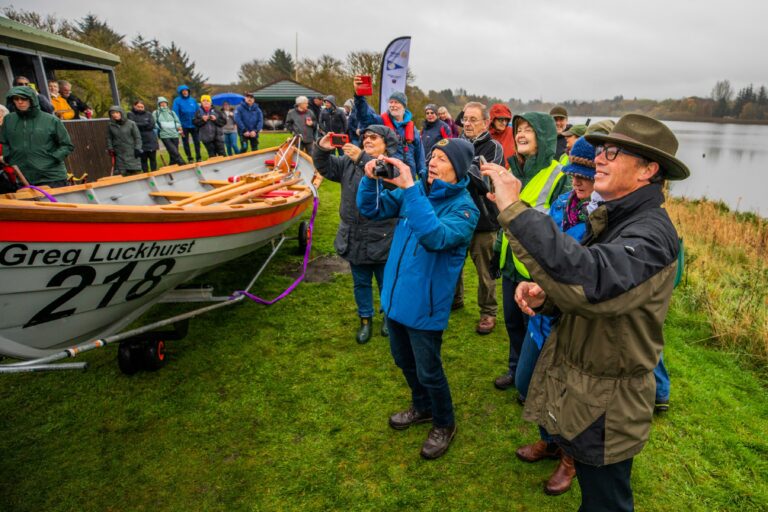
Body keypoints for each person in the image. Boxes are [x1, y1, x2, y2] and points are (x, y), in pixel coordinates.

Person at [481, 113, 690, 512]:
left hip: (610, 403)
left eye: (613, 151)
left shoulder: (650, 233)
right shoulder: (616, 215)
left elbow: (591, 283)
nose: (599, 158)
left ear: (648, 169)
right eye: (600, 149)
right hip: (588, 390)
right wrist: (550, 298)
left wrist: (515, 208)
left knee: (606, 502)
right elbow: (596, 288)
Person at [357, 137, 479, 460]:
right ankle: (421, 407)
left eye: (442, 158)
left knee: (429, 371)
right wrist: (371, 180)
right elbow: (370, 208)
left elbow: (434, 237)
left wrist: (410, 189)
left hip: (425, 308)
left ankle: (444, 423)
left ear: (458, 169)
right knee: (402, 360)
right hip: (396, 299)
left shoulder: (466, 209)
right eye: (433, 156)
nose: (433, 162)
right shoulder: (418, 192)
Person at [513, 136, 597, 497]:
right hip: (543, 313)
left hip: (572, 321)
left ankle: (569, 458)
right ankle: (548, 440)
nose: (576, 181)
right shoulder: (563, 202)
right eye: (574, 174)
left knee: (567, 397)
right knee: (525, 381)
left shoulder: (603, 220)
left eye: (585, 176)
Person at [492, 113, 570, 391]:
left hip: (537, 270)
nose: (520, 135)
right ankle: (516, 370)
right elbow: (506, 219)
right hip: (512, 265)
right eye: (518, 130)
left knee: (536, 330)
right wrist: (496, 252)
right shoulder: (512, 170)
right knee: (513, 322)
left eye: (528, 130)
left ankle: (535, 380)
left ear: (544, 135)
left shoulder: (559, 176)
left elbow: (561, 225)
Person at [313, 125, 399, 344]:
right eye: (365, 137)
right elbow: (325, 168)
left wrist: (362, 157)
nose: (367, 140)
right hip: (354, 236)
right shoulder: (347, 163)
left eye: (374, 138)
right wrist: (322, 150)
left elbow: (387, 177)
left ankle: (389, 317)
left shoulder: (393, 165)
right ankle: (365, 319)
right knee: (360, 282)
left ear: (386, 145)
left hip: (382, 237)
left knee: (385, 283)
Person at [455, 101, 505, 334]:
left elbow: (481, 176)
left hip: (484, 220)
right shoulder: (458, 143)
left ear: (486, 122)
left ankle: (488, 312)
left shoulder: (493, 147)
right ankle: (454, 301)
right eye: (465, 118)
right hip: (456, 215)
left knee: (485, 271)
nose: (467, 123)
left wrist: (458, 165)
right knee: (453, 262)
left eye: (473, 119)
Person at [0, 86, 73, 187]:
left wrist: (51, 159)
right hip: (23, 178)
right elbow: (4, 142)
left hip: (52, 177)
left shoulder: (51, 120)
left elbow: (66, 145)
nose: (20, 102)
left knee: (55, 203)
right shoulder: (9, 120)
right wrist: (9, 158)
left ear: (32, 99)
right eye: (16, 99)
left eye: (23, 98)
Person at [353, 78, 426, 177]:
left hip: (409, 175)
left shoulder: (412, 128)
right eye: (390, 102)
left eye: (396, 102)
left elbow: (419, 155)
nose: (392, 105)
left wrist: (423, 175)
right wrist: (359, 96)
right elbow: (364, 116)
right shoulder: (380, 122)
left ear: (404, 106)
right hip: (389, 174)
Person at [107, 105, 142, 176]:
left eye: (116, 113)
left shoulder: (131, 124)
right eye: (112, 113)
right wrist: (110, 148)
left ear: (121, 113)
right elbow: (109, 138)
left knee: (134, 174)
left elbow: (137, 137)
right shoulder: (110, 125)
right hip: (119, 153)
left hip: (131, 152)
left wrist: (138, 148)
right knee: (121, 174)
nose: (114, 115)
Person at [128, 100, 159, 172]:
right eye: (138, 106)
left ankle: (154, 173)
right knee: (143, 159)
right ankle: (146, 174)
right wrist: (145, 123)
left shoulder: (148, 114)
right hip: (140, 140)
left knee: (153, 159)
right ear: (134, 106)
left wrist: (140, 124)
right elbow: (133, 125)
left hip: (151, 139)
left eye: (142, 107)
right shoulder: (130, 114)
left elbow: (152, 125)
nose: (140, 108)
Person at [172, 85, 201, 163]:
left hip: (194, 124)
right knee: (186, 142)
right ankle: (190, 158)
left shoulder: (193, 100)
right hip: (183, 125)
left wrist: (199, 121)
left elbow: (198, 111)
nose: (185, 92)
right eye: (183, 91)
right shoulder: (177, 101)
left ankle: (198, 157)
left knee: (197, 141)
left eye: (186, 90)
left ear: (188, 91)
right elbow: (175, 113)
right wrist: (178, 126)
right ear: (180, 92)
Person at [153, 96, 185, 166]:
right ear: (159, 104)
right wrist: (160, 127)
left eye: (165, 103)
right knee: (173, 150)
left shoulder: (172, 112)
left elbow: (177, 121)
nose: (163, 104)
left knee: (173, 151)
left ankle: (172, 164)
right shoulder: (156, 113)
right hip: (164, 135)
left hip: (174, 134)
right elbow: (153, 122)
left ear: (167, 104)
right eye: (161, 103)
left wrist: (177, 127)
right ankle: (182, 163)